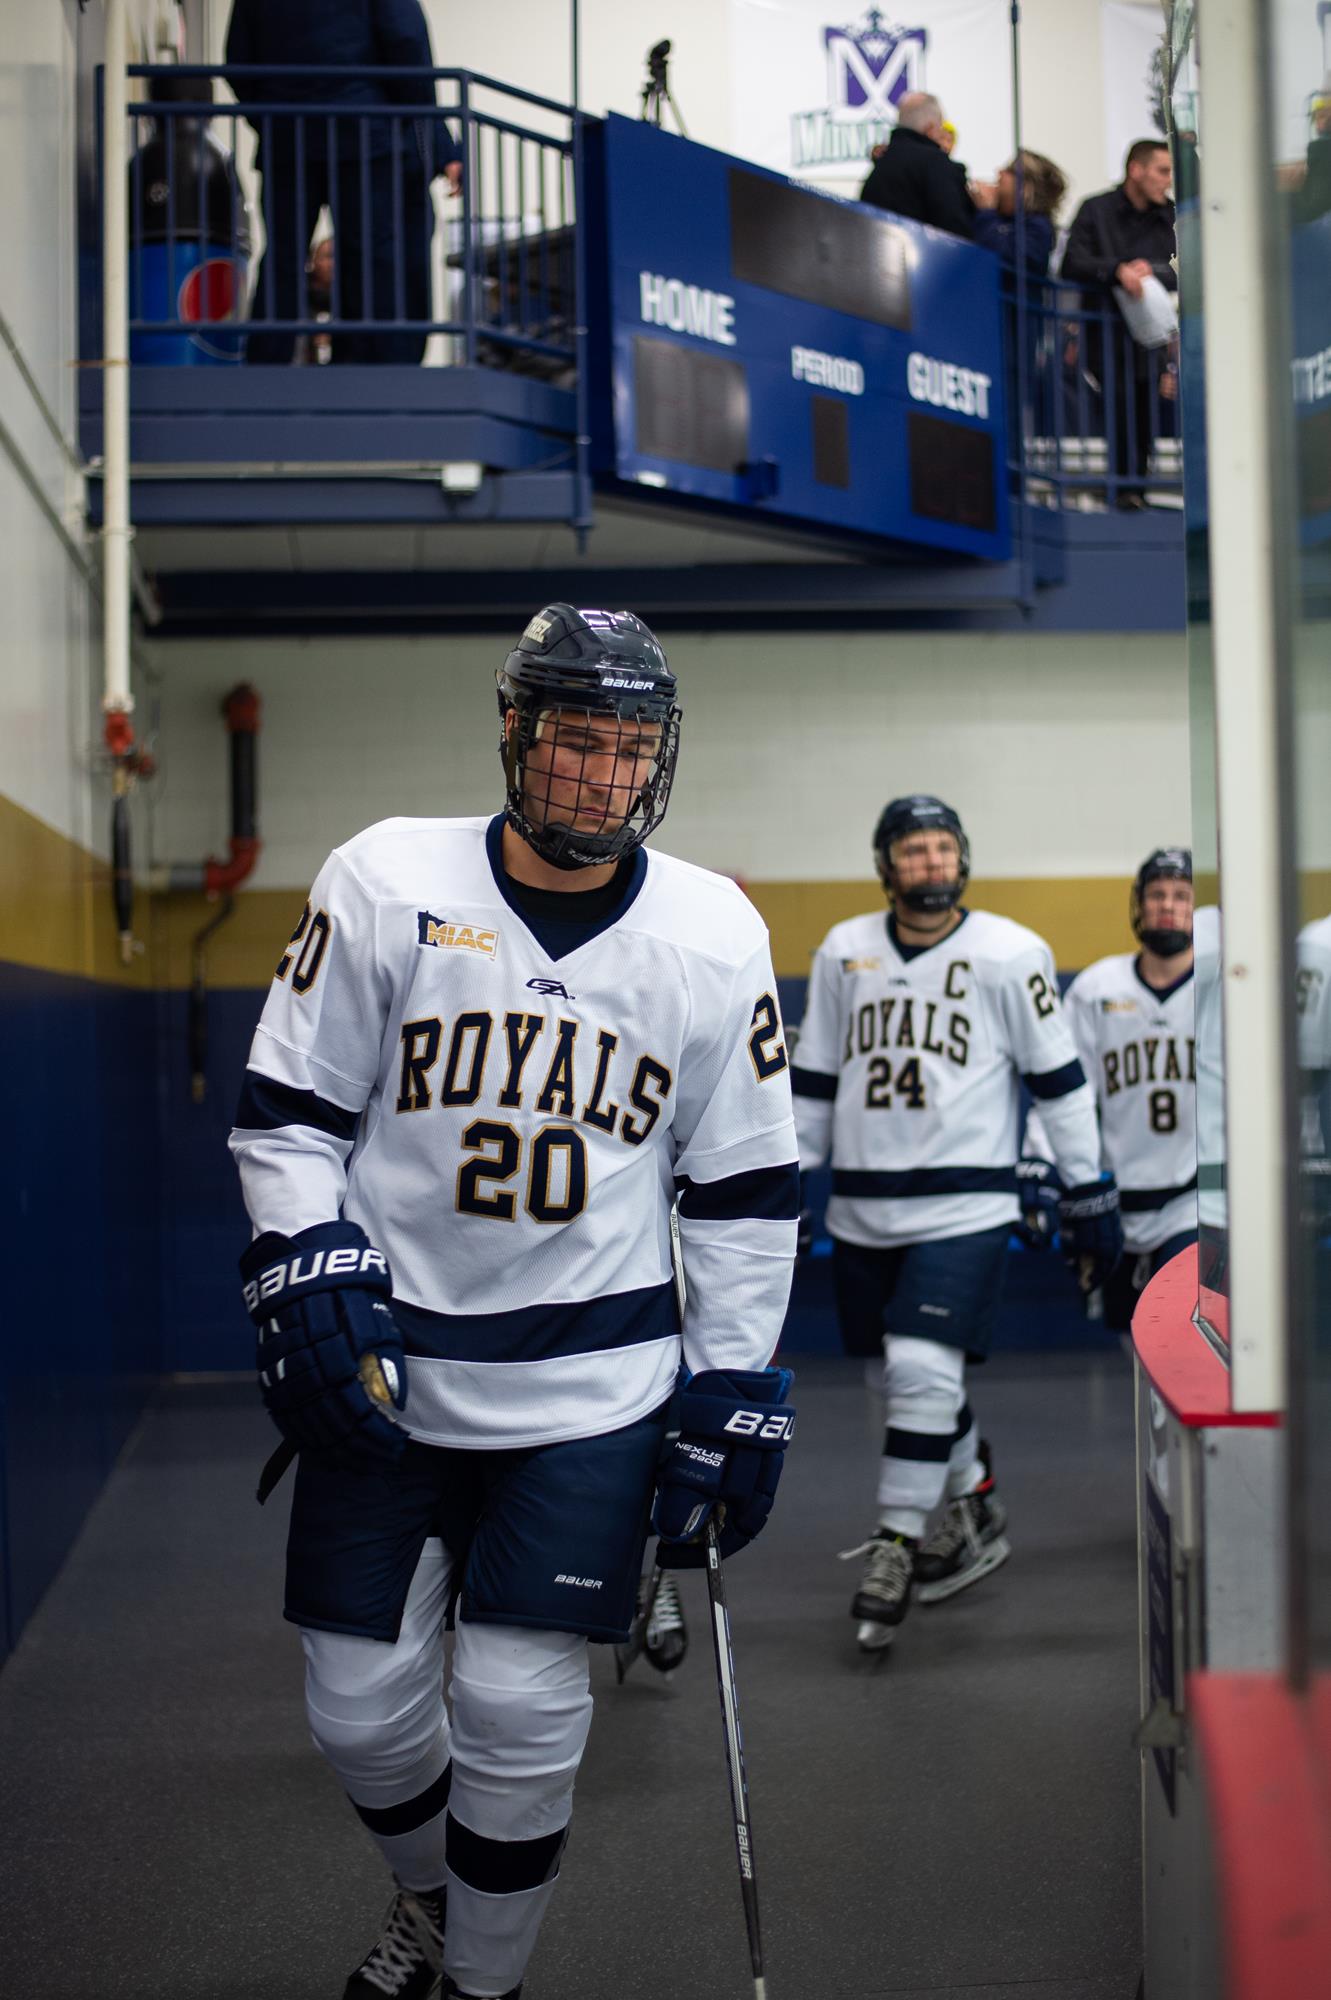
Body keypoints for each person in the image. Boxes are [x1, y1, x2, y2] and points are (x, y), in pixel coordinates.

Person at [230, 605, 798, 2000]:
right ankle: (436, 1901)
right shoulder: (381, 879)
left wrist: (730, 1382)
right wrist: (302, 1255)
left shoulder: (713, 932)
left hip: (595, 1387)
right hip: (395, 1374)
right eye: (573, 741)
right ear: (510, 729)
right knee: (356, 1708)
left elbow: (739, 1194)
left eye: (629, 749)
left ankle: (484, 1982)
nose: (601, 777)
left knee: (514, 1700)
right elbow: (290, 1119)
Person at [792, 796, 1121, 1653]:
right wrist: (784, 1186)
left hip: (967, 1202)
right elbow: (816, 1078)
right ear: (885, 863)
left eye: (943, 848)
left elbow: (1058, 1082)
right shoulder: (842, 949)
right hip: (863, 1203)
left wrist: (1083, 1189)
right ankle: (973, 1499)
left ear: (961, 859)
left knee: (918, 1365)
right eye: (913, 850)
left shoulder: (1011, 951)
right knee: (895, 1380)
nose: (930, 863)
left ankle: (894, 1543)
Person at [225, 0, 461, 365]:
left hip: (288, 133)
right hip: (363, 133)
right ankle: (374, 363)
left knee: (284, 256)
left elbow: (238, 60)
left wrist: (269, 115)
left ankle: (268, 361)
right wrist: (414, 118)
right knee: (368, 255)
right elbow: (406, 41)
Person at [1035, 849, 1196, 1333]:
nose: (1168, 905)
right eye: (1157, 894)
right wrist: (1044, 1161)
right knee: (1134, 1341)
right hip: (1118, 1195)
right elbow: (1064, 1085)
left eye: (1182, 896)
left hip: (1196, 1192)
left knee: (1182, 1327)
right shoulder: (1095, 988)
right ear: (1138, 904)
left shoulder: (1223, 988)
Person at [1061, 139, 1177, 507]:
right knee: (1118, 406)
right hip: (1105, 334)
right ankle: (1121, 488)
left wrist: (1152, 271)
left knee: (1145, 411)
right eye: (1162, 170)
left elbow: (1189, 267)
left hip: (1152, 336)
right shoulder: (1096, 210)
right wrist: (1115, 271)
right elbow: (1072, 263)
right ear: (1136, 170)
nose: (1168, 180)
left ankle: (1133, 490)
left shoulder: (1171, 216)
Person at [859, 92, 976, 238]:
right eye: (941, 127)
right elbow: (956, 230)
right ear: (931, 128)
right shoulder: (936, 164)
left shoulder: (882, 163)